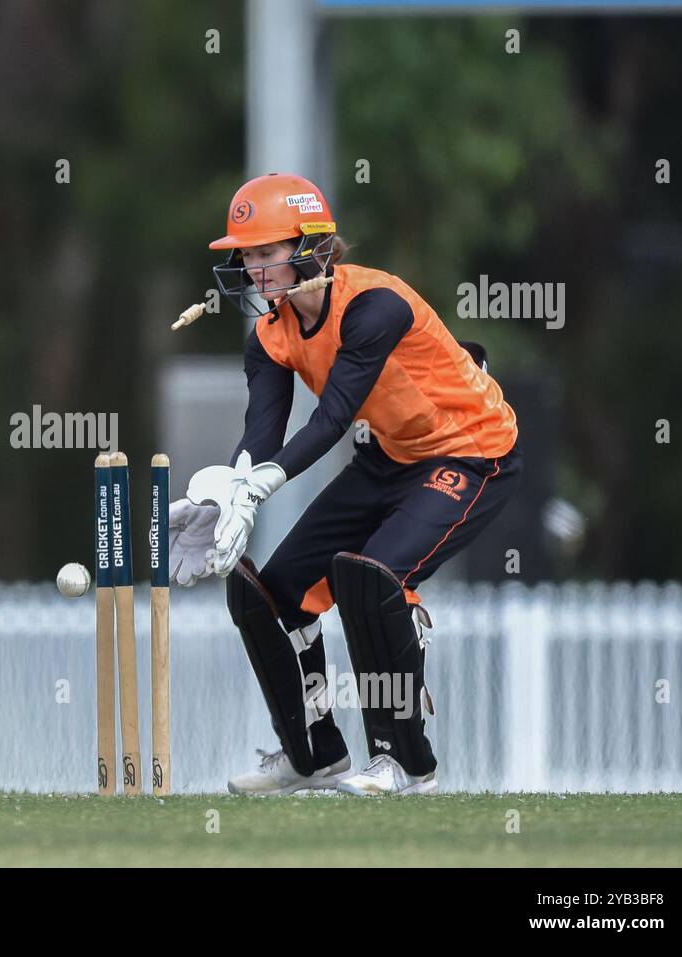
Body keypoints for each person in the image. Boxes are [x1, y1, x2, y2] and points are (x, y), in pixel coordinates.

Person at [168, 173, 521, 796]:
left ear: (310, 246)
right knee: (273, 588)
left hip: (472, 453)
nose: (253, 268)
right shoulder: (271, 335)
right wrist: (223, 491)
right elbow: (262, 430)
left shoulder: (373, 306)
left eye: (265, 251)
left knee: (373, 576)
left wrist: (259, 489)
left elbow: (331, 418)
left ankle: (406, 761)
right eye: (245, 255)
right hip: (390, 456)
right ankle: (313, 753)